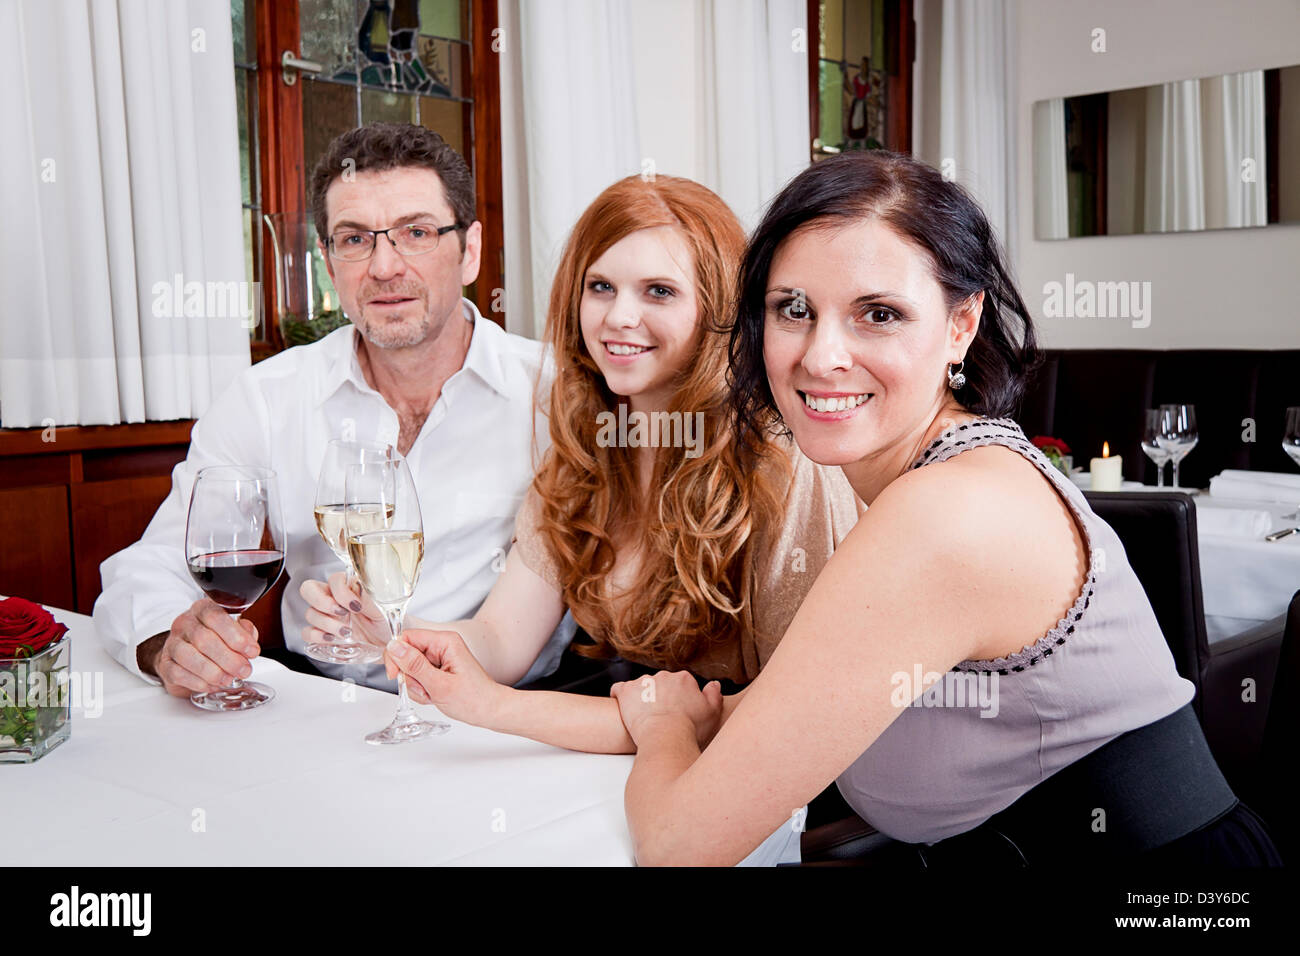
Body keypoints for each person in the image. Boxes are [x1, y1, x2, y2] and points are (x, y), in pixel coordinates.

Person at [577, 150, 1280, 866]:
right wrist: (488, 705)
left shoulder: (945, 514)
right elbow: (782, 719)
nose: (821, 356)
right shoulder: (948, 469)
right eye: (794, 309)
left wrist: (664, 734)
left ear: (961, 325)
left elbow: (677, 849)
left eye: (877, 313)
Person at [302, 175, 862, 771]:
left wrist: (496, 708)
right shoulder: (585, 454)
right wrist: (393, 629)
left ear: (720, 310)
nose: (620, 316)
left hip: (770, 785)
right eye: (601, 287)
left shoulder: (784, 463)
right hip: (635, 758)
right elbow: (500, 640)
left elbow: (782, 720)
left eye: (659, 292)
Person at [94, 123, 563, 697]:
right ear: (327, 260)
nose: (385, 267)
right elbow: (153, 565)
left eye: (416, 232)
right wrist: (169, 644)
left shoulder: (555, 393)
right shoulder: (267, 399)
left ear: (469, 252)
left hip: (514, 710)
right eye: (355, 239)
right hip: (320, 705)